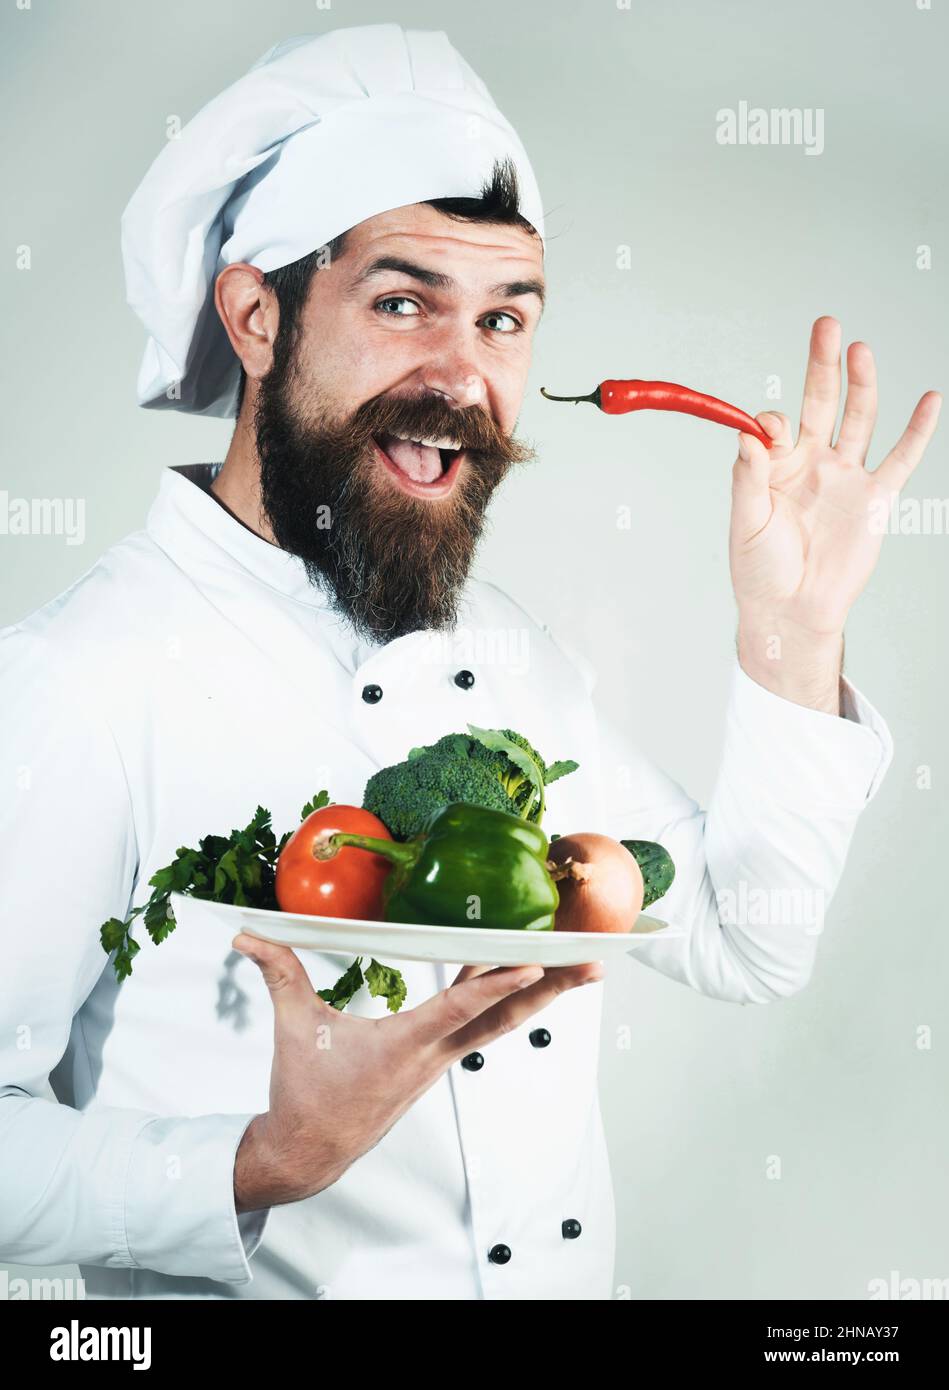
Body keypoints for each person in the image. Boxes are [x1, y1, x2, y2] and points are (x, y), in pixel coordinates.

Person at [0, 23, 939, 1301]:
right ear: (256, 313)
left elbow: (741, 939)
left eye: (504, 318)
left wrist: (793, 630)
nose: (462, 375)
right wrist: (256, 1162)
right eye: (402, 303)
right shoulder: (78, 681)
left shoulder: (508, 657)